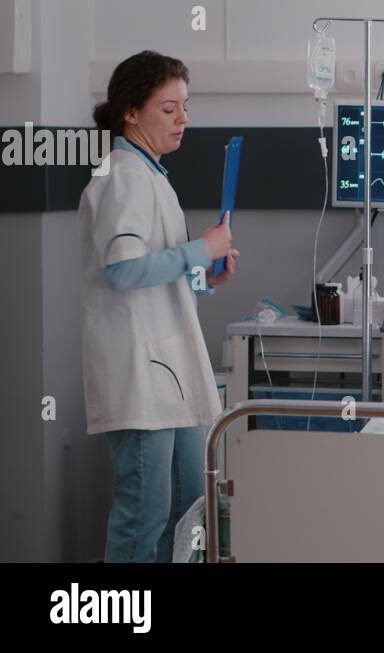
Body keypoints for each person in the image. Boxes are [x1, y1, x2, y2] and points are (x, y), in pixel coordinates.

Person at [80, 50, 239, 562]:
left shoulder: (152, 176)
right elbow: (123, 271)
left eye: (185, 107)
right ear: (131, 111)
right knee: (143, 516)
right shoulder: (122, 175)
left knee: (189, 509)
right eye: (168, 109)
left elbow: (157, 269)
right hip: (139, 374)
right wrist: (201, 250)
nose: (182, 120)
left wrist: (204, 270)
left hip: (167, 371)